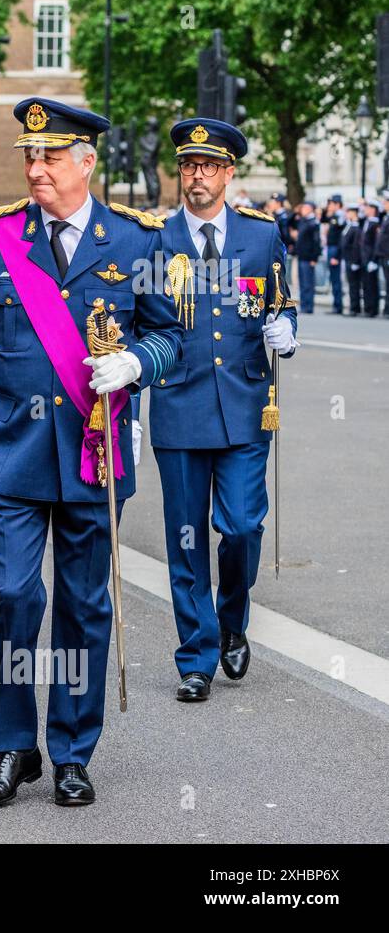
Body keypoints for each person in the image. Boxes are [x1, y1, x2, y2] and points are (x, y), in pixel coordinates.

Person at [0, 98, 182, 807]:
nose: (36, 169)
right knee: (13, 595)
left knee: (82, 606)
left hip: (92, 457)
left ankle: (72, 750)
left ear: (87, 162)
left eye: (50, 157)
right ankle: (14, 747)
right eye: (29, 157)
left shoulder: (136, 242)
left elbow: (169, 336)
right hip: (10, 452)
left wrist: (136, 363)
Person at [150, 118, 298, 703]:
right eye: (189, 166)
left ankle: (233, 618)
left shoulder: (260, 238)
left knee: (240, 528)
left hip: (243, 406)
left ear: (229, 174)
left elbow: (281, 300)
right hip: (180, 408)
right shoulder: (156, 240)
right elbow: (139, 324)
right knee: (186, 541)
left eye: (209, 167)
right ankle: (196, 655)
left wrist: (286, 324)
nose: (198, 176)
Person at [293, 202, 320, 314]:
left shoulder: (313, 223)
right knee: (303, 282)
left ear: (309, 209)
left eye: (304, 208)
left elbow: (316, 241)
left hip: (309, 257)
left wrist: (314, 258)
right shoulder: (304, 221)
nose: (302, 210)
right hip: (302, 255)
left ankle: (308, 306)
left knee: (308, 283)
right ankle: (304, 304)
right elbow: (291, 221)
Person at [321, 196, 345, 315]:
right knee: (333, 278)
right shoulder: (334, 216)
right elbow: (323, 218)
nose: (329, 206)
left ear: (337, 204)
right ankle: (336, 304)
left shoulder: (340, 216)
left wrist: (336, 255)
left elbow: (340, 238)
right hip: (331, 248)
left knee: (336, 279)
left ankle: (338, 306)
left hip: (335, 249)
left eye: (331, 204)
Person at [360, 200, 381, 318]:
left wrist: (374, 260)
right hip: (364, 258)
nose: (365, 210)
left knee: (372, 285)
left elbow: (376, 244)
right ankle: (368, 307)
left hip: (371, 258)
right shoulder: (367, 222)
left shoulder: (375, 223)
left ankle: (373, 309)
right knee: (366, 285)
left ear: (373, 209)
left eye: (367, 208)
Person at [342, 204, 363, 315]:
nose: (347, 214)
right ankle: (353, 306)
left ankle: (355, 308)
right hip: (348, 259)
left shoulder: (356, 227)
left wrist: (355, 261)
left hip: (352, 259)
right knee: (351, 285)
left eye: (349, 212)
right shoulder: (350, 226)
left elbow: (356, 246)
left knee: (354, 285)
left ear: (354, 213)